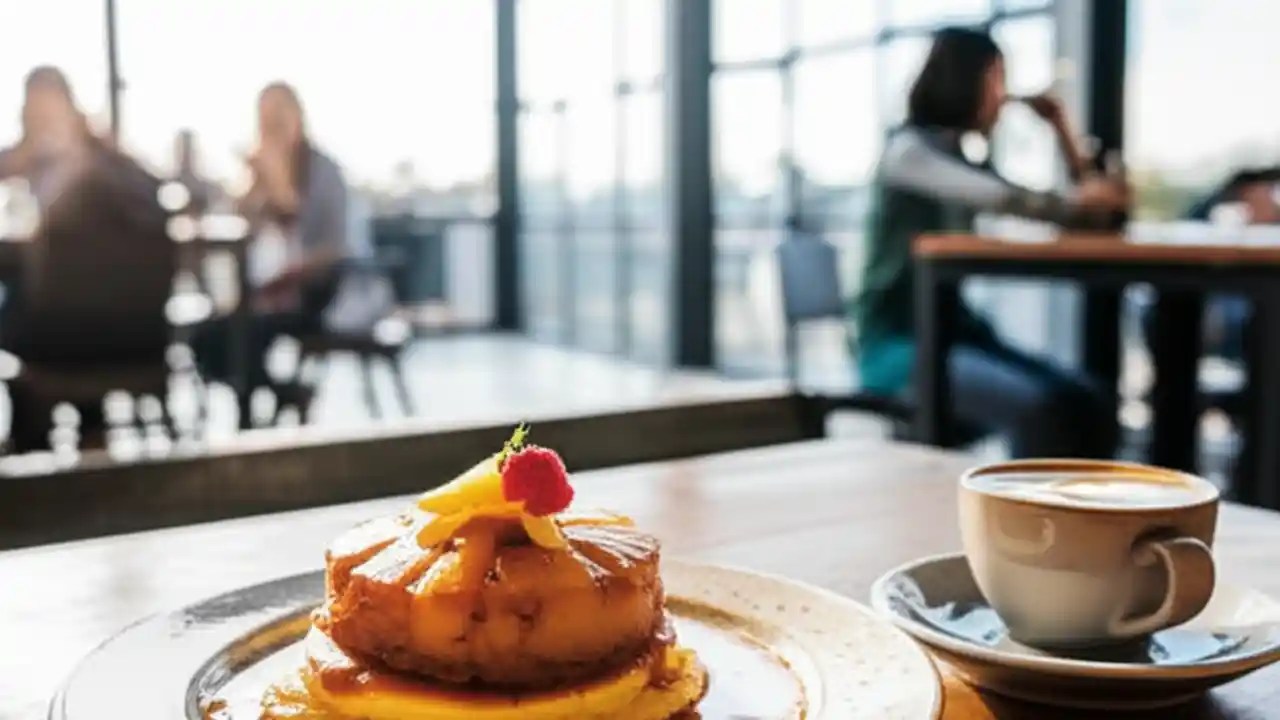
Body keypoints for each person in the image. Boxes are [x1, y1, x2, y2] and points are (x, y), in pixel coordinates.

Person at [851, 27, 1131, 457]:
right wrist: (1082, 198)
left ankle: (1092, 500)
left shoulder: (958, 156)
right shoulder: (909, 154)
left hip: (960, 333)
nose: (1003, 98)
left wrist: (1060, 126)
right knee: (1043, 409)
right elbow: (1012, 199)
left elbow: (1086, 218)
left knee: (1087, 400)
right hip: (900, 347)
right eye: (997, 80)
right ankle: (1023, 503)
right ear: (966, 82)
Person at [191, 82, 390, 403]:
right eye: (265, 120)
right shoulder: (259, 174)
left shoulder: (324, 171)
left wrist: (280, 184)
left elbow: (334, 247)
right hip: (270, 293)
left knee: (243, 336)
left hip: (325, 295)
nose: (272, 128)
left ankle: (269, 406)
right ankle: (286, 394)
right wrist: (256, 183)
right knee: (207, 336)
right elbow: (240, 225)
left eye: (279, 118)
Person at [0, 66, 104, 212]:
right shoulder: (28, 156)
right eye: (35, 114)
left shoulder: (99, 159)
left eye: (47, 114)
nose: (42, 124)